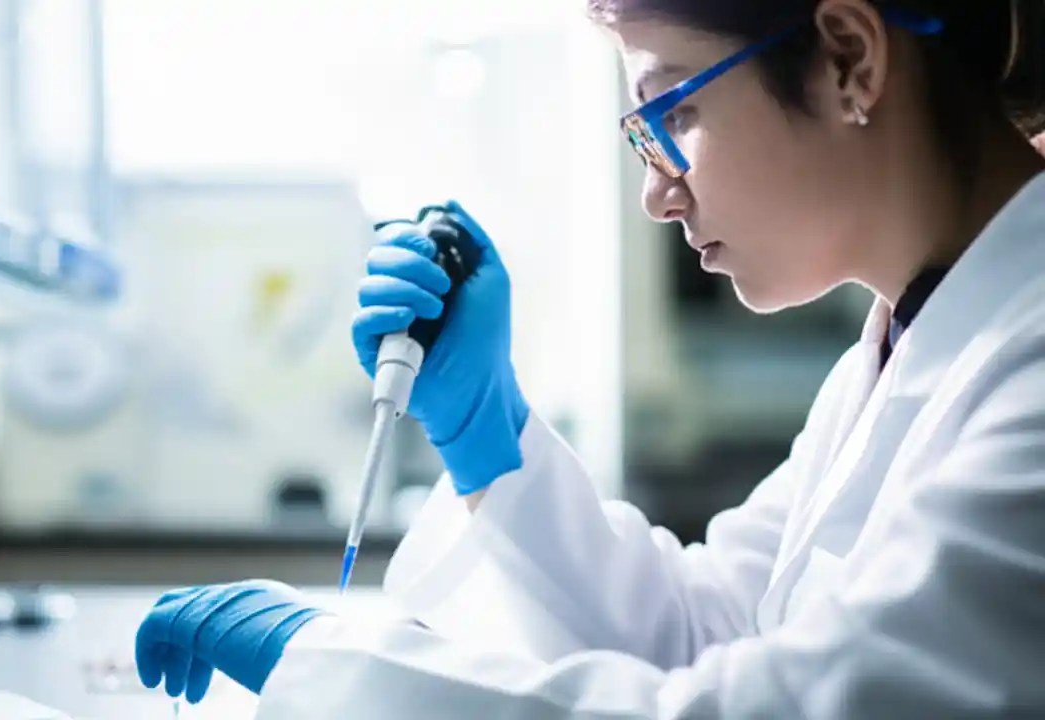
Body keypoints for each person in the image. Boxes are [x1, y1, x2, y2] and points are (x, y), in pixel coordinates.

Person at [134, 1, 1045, 716]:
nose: (657, 194)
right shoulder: (913, 333)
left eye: (676, 109)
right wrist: (487, 431)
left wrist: (337, 674)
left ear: (849, 56)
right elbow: (712, 637)